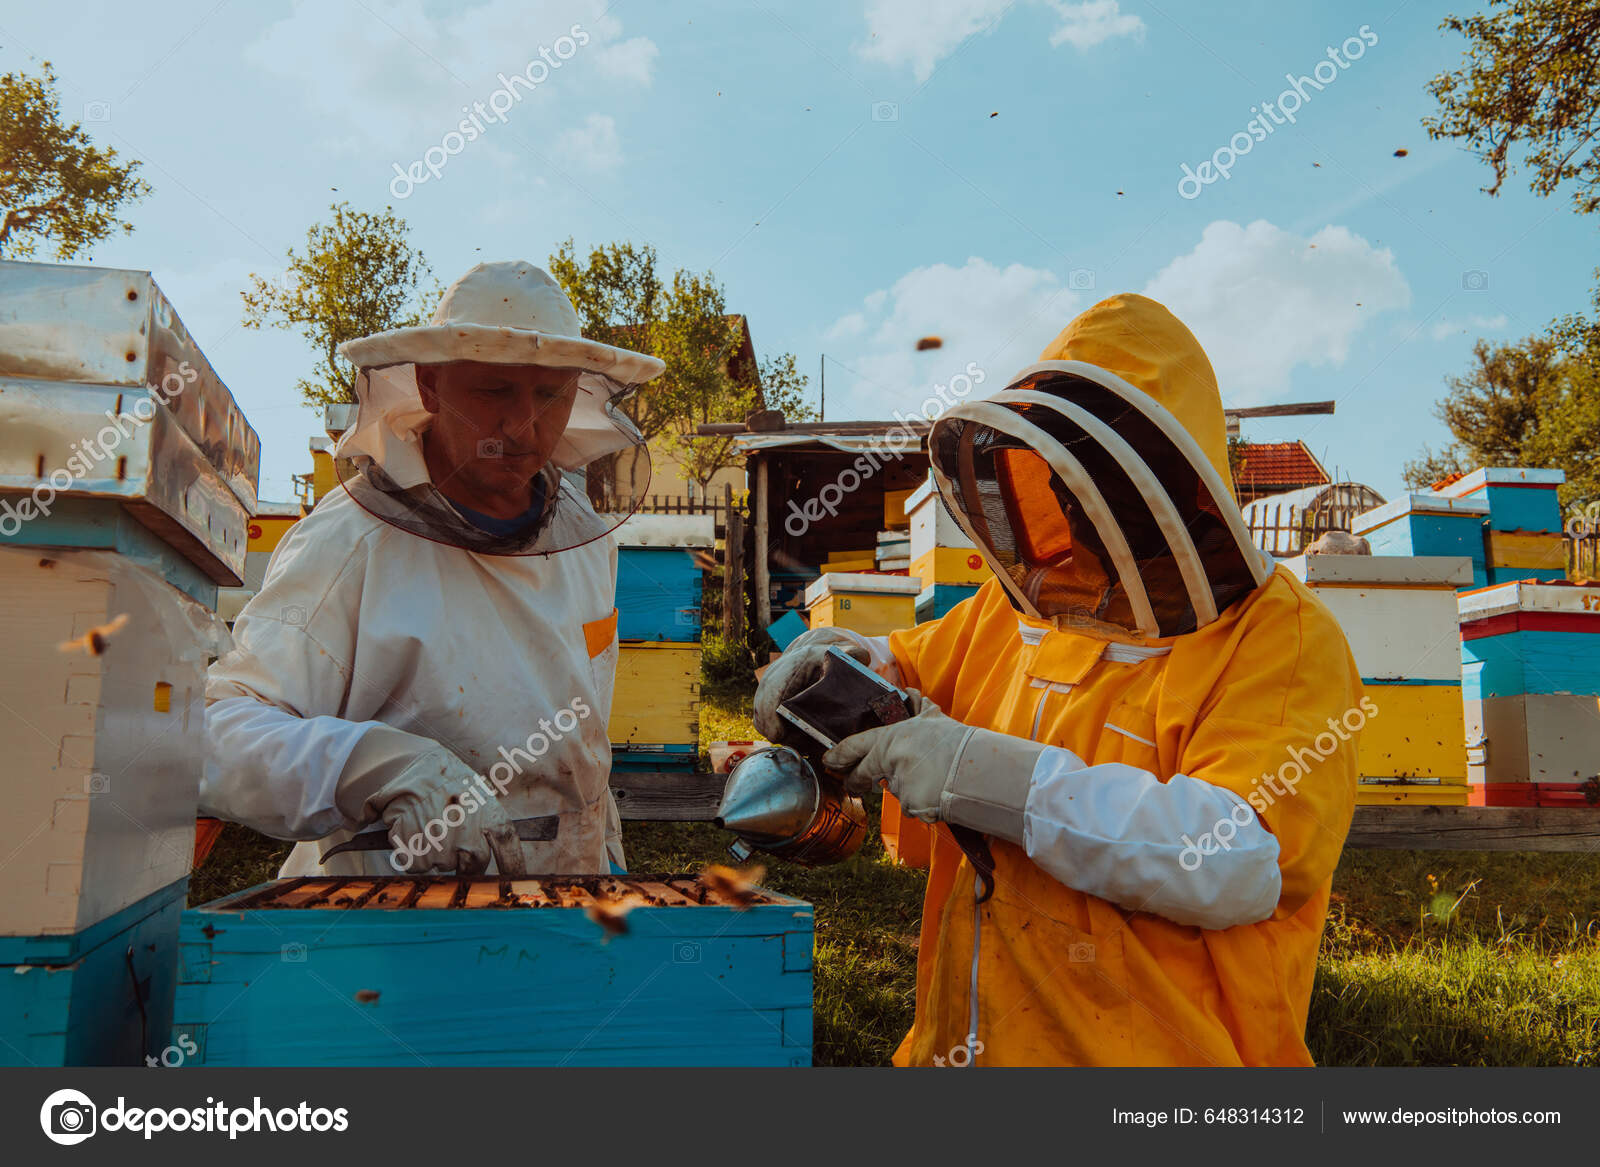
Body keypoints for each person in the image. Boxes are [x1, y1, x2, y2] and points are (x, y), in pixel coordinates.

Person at [755, 294, 1361, 1066]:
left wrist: (984, 776)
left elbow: (1235, 858)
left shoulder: (1282, 638)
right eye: (1064, 481)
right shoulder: (1018, 608)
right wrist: (832, 658)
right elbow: (905, 660)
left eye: (1101, 480)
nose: (1078, 510)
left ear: (1178, 479)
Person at [203, 260, 663, 877]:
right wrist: (378, 765)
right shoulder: (350, 540)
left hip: (569, 905)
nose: (523, 425)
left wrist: (602, 856)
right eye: (494, 391)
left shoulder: (585, 540)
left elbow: (582, 752)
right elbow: (218, 732)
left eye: (549, 394)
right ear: (429, 387)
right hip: (385, 926)